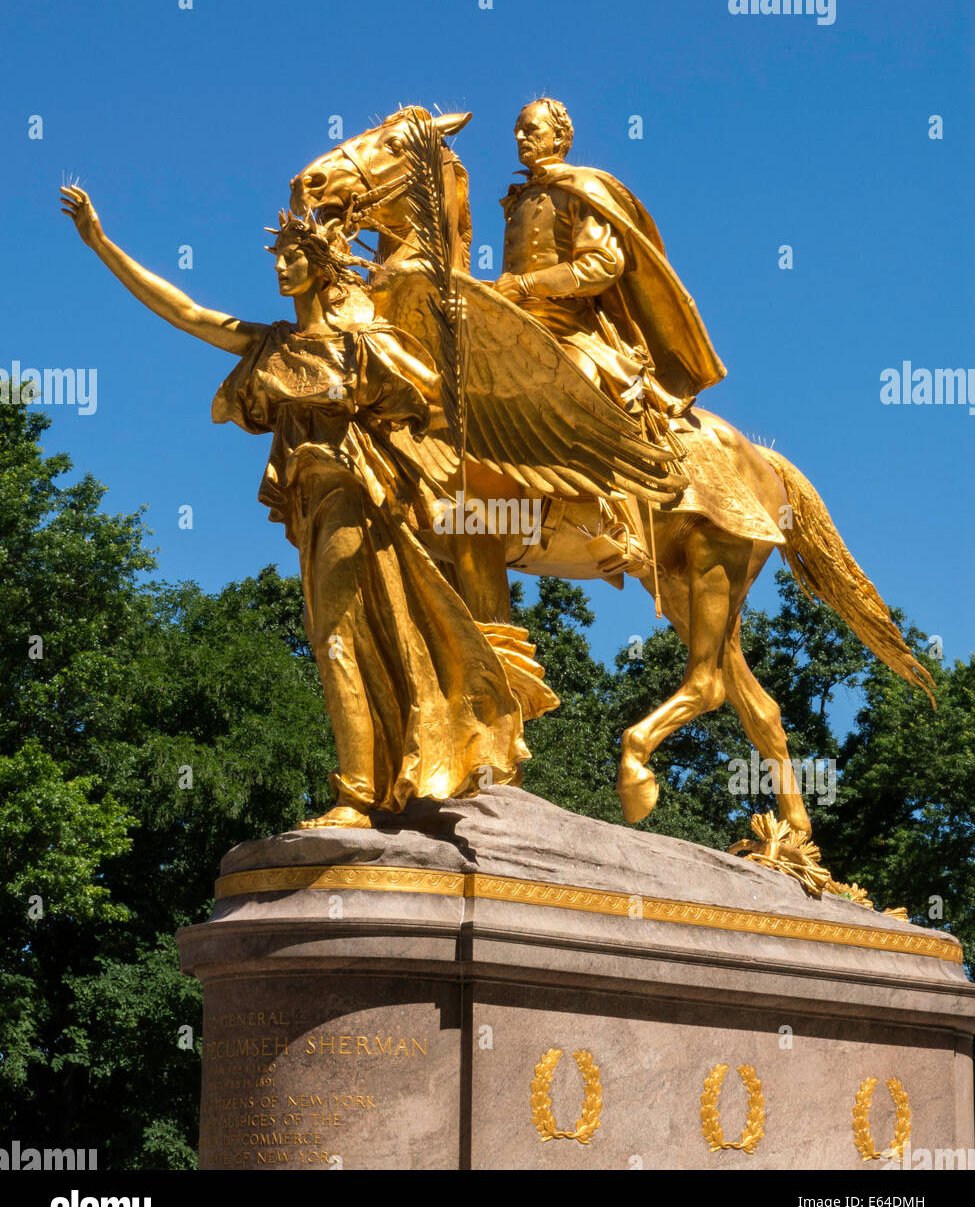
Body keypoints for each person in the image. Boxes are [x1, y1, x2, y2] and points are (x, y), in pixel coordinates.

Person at [60, 185, 531, 828]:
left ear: (320, 263)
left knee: (336, 634)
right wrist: (101, 243)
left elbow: (440, 409)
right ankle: (382, 777)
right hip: (309, 506)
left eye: (291, 257)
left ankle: (357, 793)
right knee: (345, 638)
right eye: (277, 257)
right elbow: (188, 313)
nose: (280, 267)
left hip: (349, 495)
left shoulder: (363, 345)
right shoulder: (275, 343)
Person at [493, 99, 728, 577]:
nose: (520, 137)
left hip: (573, 328)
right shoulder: (517, 202)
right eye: (517, 130)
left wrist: (525, 286)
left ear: (560, 138)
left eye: (531, 129)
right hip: (518, 326)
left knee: (571, 386)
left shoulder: (583, 188)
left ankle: (616, 524)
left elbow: (601, 266)